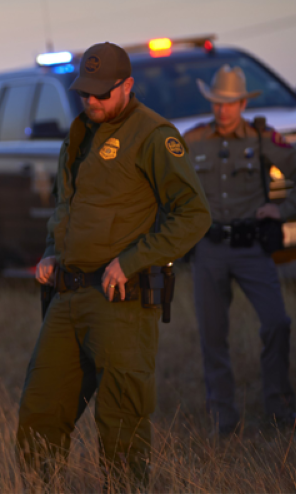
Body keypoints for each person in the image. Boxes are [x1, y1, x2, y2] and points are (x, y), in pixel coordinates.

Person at [16, 42, 211, 482]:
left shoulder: (154, 135)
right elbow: (65, 206)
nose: (92, 100)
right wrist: (51, 251)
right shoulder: (79, 133)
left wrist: (133, 260)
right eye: (85, 92)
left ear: (127, 86)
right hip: (67, 297)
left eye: (102, 93)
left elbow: (194, 215)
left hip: (120, 301)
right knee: (39, 412)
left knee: (121, 424)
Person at [183, 65, 296, 435]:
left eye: (230, 103)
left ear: (243, 103)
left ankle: (280, 409)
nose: (222, 110)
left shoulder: (262, 137)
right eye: (217, 102)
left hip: (251, 248)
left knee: (277, 323)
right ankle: (223, 419)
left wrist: (283, 210)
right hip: (209, 248)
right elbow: (165, 181)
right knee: (213, 336)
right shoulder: (192, 140)